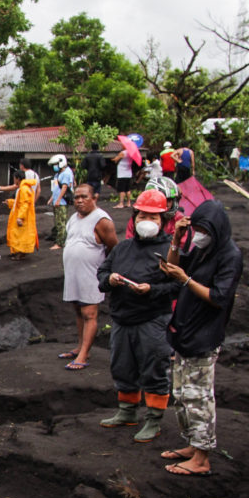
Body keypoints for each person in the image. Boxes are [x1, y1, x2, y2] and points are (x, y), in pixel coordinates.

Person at [157, 200, 243, 475]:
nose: (201, 234)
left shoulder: (229, 256)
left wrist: (185, 280)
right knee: (181, 394)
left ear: (217, 230)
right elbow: (173, 270)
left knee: (199, 396)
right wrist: (177, 240)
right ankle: (193, 444)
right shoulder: (202, 250)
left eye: (205, 230)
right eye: (198, 229)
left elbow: (218, 297)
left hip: (204, 336)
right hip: (185, 330)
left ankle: (202, 457)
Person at [96, 188, 180, 441]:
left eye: (153, 218)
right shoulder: (123, 248)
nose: (147, 222)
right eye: (142, 216)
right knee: (122, 366)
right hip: (122, 319)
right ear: (134, 218)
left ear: (163, 221)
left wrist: (152, 289)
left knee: (154, 367)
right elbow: (102, 275)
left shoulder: (169, 251)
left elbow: (179, 285)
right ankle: (127, 411)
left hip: (152, 320)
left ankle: (153, 419)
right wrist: (109, 279)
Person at [60, 184, 117, 370]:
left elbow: (113, 248)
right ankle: (80, 347)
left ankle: (83, 355)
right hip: (73, 272)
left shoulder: (102, 221)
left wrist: (105, 270)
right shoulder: (73, 218)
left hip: (91, 272)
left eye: (84, 197)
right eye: (76, 197)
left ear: (95, 198)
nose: (79, 200)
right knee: (78, 310)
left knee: (89, 313)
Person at [6, 159, 40, 259]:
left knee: (22, 234)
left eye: (14, 178)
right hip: (21, 214)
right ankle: (17, 251)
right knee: (18, 233)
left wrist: (20, 217)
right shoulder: (23, 188)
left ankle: (21, 253)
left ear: (17, 179)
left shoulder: (24, 189)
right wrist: (10, 202)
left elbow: (24, 204)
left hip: (23, 215)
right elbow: (19, 202)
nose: (14, 181)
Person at [48, 153, 74, 249]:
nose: (54, 167)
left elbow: (64, 187)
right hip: (57, 201)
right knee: (58, 221)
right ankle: (58, 239)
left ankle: (60, 243)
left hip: (62, 202)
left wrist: (58, 200)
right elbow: (56, 188)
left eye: (55, 164)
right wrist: (52, 199)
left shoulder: (66, 173)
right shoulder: (59, 173)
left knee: (61, 222)